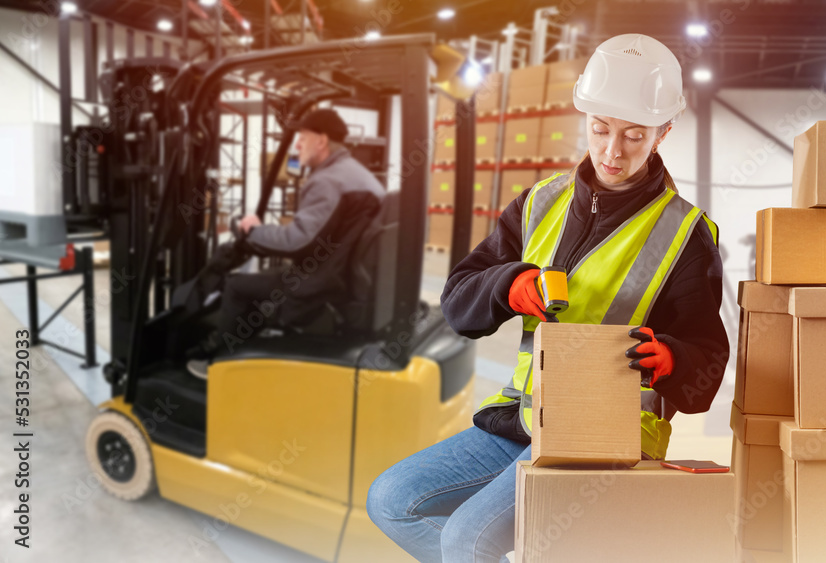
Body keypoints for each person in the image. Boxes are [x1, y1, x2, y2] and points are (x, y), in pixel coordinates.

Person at [366, 34, 728, 562]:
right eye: (600, 129)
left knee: (467, 539)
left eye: (633, 136)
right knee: (391, 501)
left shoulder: (687, 234)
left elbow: (707, 362)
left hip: (609, 432)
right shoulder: (540, 202)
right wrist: (508, 285)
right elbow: (458, 302)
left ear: (662, 133)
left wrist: (673, 359)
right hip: (523, 419)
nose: (613, 150)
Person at [186, 109, 385, 378]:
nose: (297, 146)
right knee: (266, 279)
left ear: (322, 141)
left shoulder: (328, 181)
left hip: (318, 286)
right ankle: (249, 350)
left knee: (236, 286)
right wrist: (263, 234)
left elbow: (297, 243)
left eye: (302, 138)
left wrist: (252, 231)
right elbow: (317, 235)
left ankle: (220, 364)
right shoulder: (357, 174)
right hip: (339, 277)